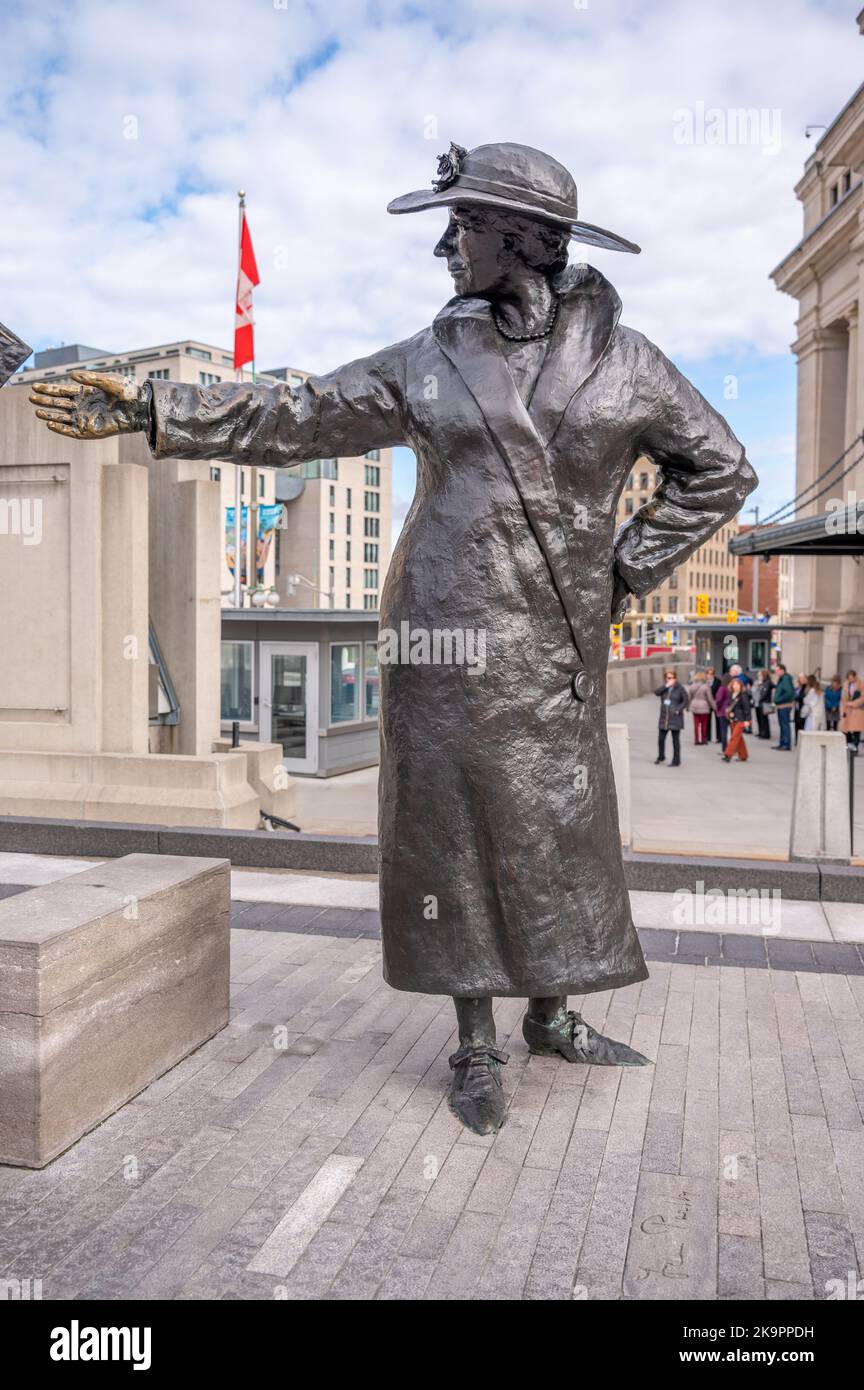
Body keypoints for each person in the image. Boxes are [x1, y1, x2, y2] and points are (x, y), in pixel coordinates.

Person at [28, 140, 758, 1136]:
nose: (446, 248)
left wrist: (625, 569)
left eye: (461, 226)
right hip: (441, 632)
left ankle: (552, 1011)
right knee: (445, 825)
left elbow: (720, 467)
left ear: (520, 238)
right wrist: (157, 406)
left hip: (555, 639)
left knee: (559, 823)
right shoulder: (431, 358)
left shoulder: (627, 364)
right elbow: (301, 413)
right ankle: (472, 1040)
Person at [655, 669, 689, 766]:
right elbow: (656, 692)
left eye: (671, 678)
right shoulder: (664, 688)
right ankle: (661, 756)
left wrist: (678, 709)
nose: (669, 679)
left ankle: (676, 760)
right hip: (664, 718)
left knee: (675, 741)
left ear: (675, 678)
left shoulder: (680, 688)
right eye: (668, 678)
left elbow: (686, 700)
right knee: (660, 739)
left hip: (675, 718)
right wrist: (666, 686)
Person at [722, 677, 752, 763]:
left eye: (737, 684)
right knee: (739, 738)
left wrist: (747, 720)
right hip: (733, 719)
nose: (735, 686)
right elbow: (730, 706)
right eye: (734, 684)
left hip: (741, 719)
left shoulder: (743, 695)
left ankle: (728, 754)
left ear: (740, 686)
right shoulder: (731, 694)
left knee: (734, 737)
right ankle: (743, 755)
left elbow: (747, 708)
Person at [687, 670, 715, 745]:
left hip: (694, 706)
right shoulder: (706, 686)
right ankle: (703, 739)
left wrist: (687, 706)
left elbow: (689, 698)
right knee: (704, 724)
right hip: (704, 706)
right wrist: (714, 707)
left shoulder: (692, 686)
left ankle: (696, 739)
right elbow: (710, 698)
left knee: (696, 725)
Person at [772, 663, 795, 751]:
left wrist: (779, 699)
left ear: (782, 670)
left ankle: (786, 744)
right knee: (782, 725)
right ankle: (782, 743)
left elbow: (789, 693)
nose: (776, 672)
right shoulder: (782, 678)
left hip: (785, 705)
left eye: (777, 670)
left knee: (785, 725)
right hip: (781, 705)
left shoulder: (785, 679)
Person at [840, 670, 864, 754]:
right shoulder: (845, 685)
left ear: (855, 676)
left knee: (856, 729)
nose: (851, 680)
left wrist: (852, 704)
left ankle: (855, 747)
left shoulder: (861, 684)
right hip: (847, 710)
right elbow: (843, 698)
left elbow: (862, 698)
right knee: (845, 729)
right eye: (849, 678)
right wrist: (843, 709)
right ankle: (849, 744)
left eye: (852, 678)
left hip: (857, 710)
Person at [752, 668, 774, 740]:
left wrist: (759, 699)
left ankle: (765, 734)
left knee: (764, 719)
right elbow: (754, 691)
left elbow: (765, 693)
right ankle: (761, 731)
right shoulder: (761, 682)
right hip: (758, 703)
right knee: (759, 718)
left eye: (760, 675)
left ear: (763, 675)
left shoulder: (767, 682)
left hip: (764, 703)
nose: (758, 676)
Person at [706, 665, 722, 744]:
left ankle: (719, 737)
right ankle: (707, 737)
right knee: (707, 720)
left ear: (714, 674)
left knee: (718, 720)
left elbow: (720, 692)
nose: (709, 675)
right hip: (708, 703)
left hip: (716, 703)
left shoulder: (718, 681)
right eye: (708, 674)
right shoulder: (705, 682)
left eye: (711, 674)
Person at [714, 678, 731, 751]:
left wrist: (717, 708)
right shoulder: (731, 688)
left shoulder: (722, 688)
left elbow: (718, 700)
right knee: (733, 730)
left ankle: (724, 749)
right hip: (732, 710)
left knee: (724, 731)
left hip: (723, 711)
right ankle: (733, 748)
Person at [794, 673, 808, 744]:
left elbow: (802, 696)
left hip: (803, 709)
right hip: (797, 709)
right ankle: (797, 740)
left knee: (802, 725)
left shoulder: (806, 687)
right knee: (796, 725)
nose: (802, 680)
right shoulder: (797, 687)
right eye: (800, 678)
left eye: (803, 678)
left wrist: (795, 697)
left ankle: (801, 741)